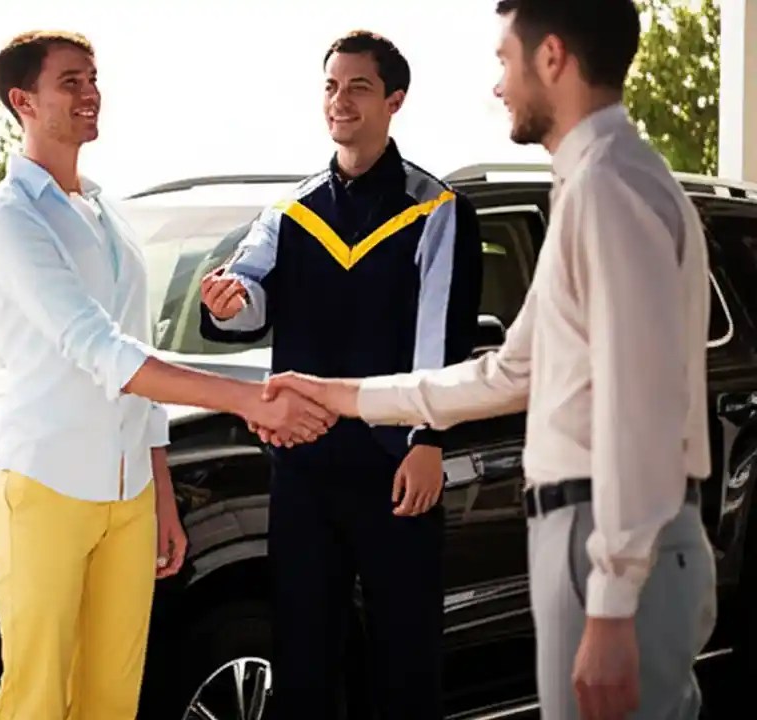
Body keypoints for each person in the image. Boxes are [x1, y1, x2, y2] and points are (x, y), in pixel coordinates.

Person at [262, 2, 718, 718]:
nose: (499, 87)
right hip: (590, 533)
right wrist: (342, 395)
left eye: (506, 61)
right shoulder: (595, 184)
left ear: (553, 59)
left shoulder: (608, 191)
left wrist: (610, 599)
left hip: (609, 534)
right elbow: (512, 373)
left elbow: (642, 408)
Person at [0, 30, 334, 720]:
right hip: (47, 488)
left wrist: (160, 492)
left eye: (93, 78)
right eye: (70, 81)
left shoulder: (106, 212)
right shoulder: (9, 219)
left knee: (114, 697)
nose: (90, 93)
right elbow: (102, 350)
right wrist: (250, 398)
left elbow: (140, 347)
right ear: (23, 101)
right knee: (38, 698)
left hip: (129, 493)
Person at [198, 30, 484, 719]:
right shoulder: (290, 212)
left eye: (358, 86)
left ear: (395, 100)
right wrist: (227, 302)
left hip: (394, 468)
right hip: (304, 466)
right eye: (331, 86)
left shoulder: (435, 211)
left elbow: (437, 338)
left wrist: (426, 441)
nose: (340, 100)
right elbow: (249, 295)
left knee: (403, 657)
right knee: (303, 655)